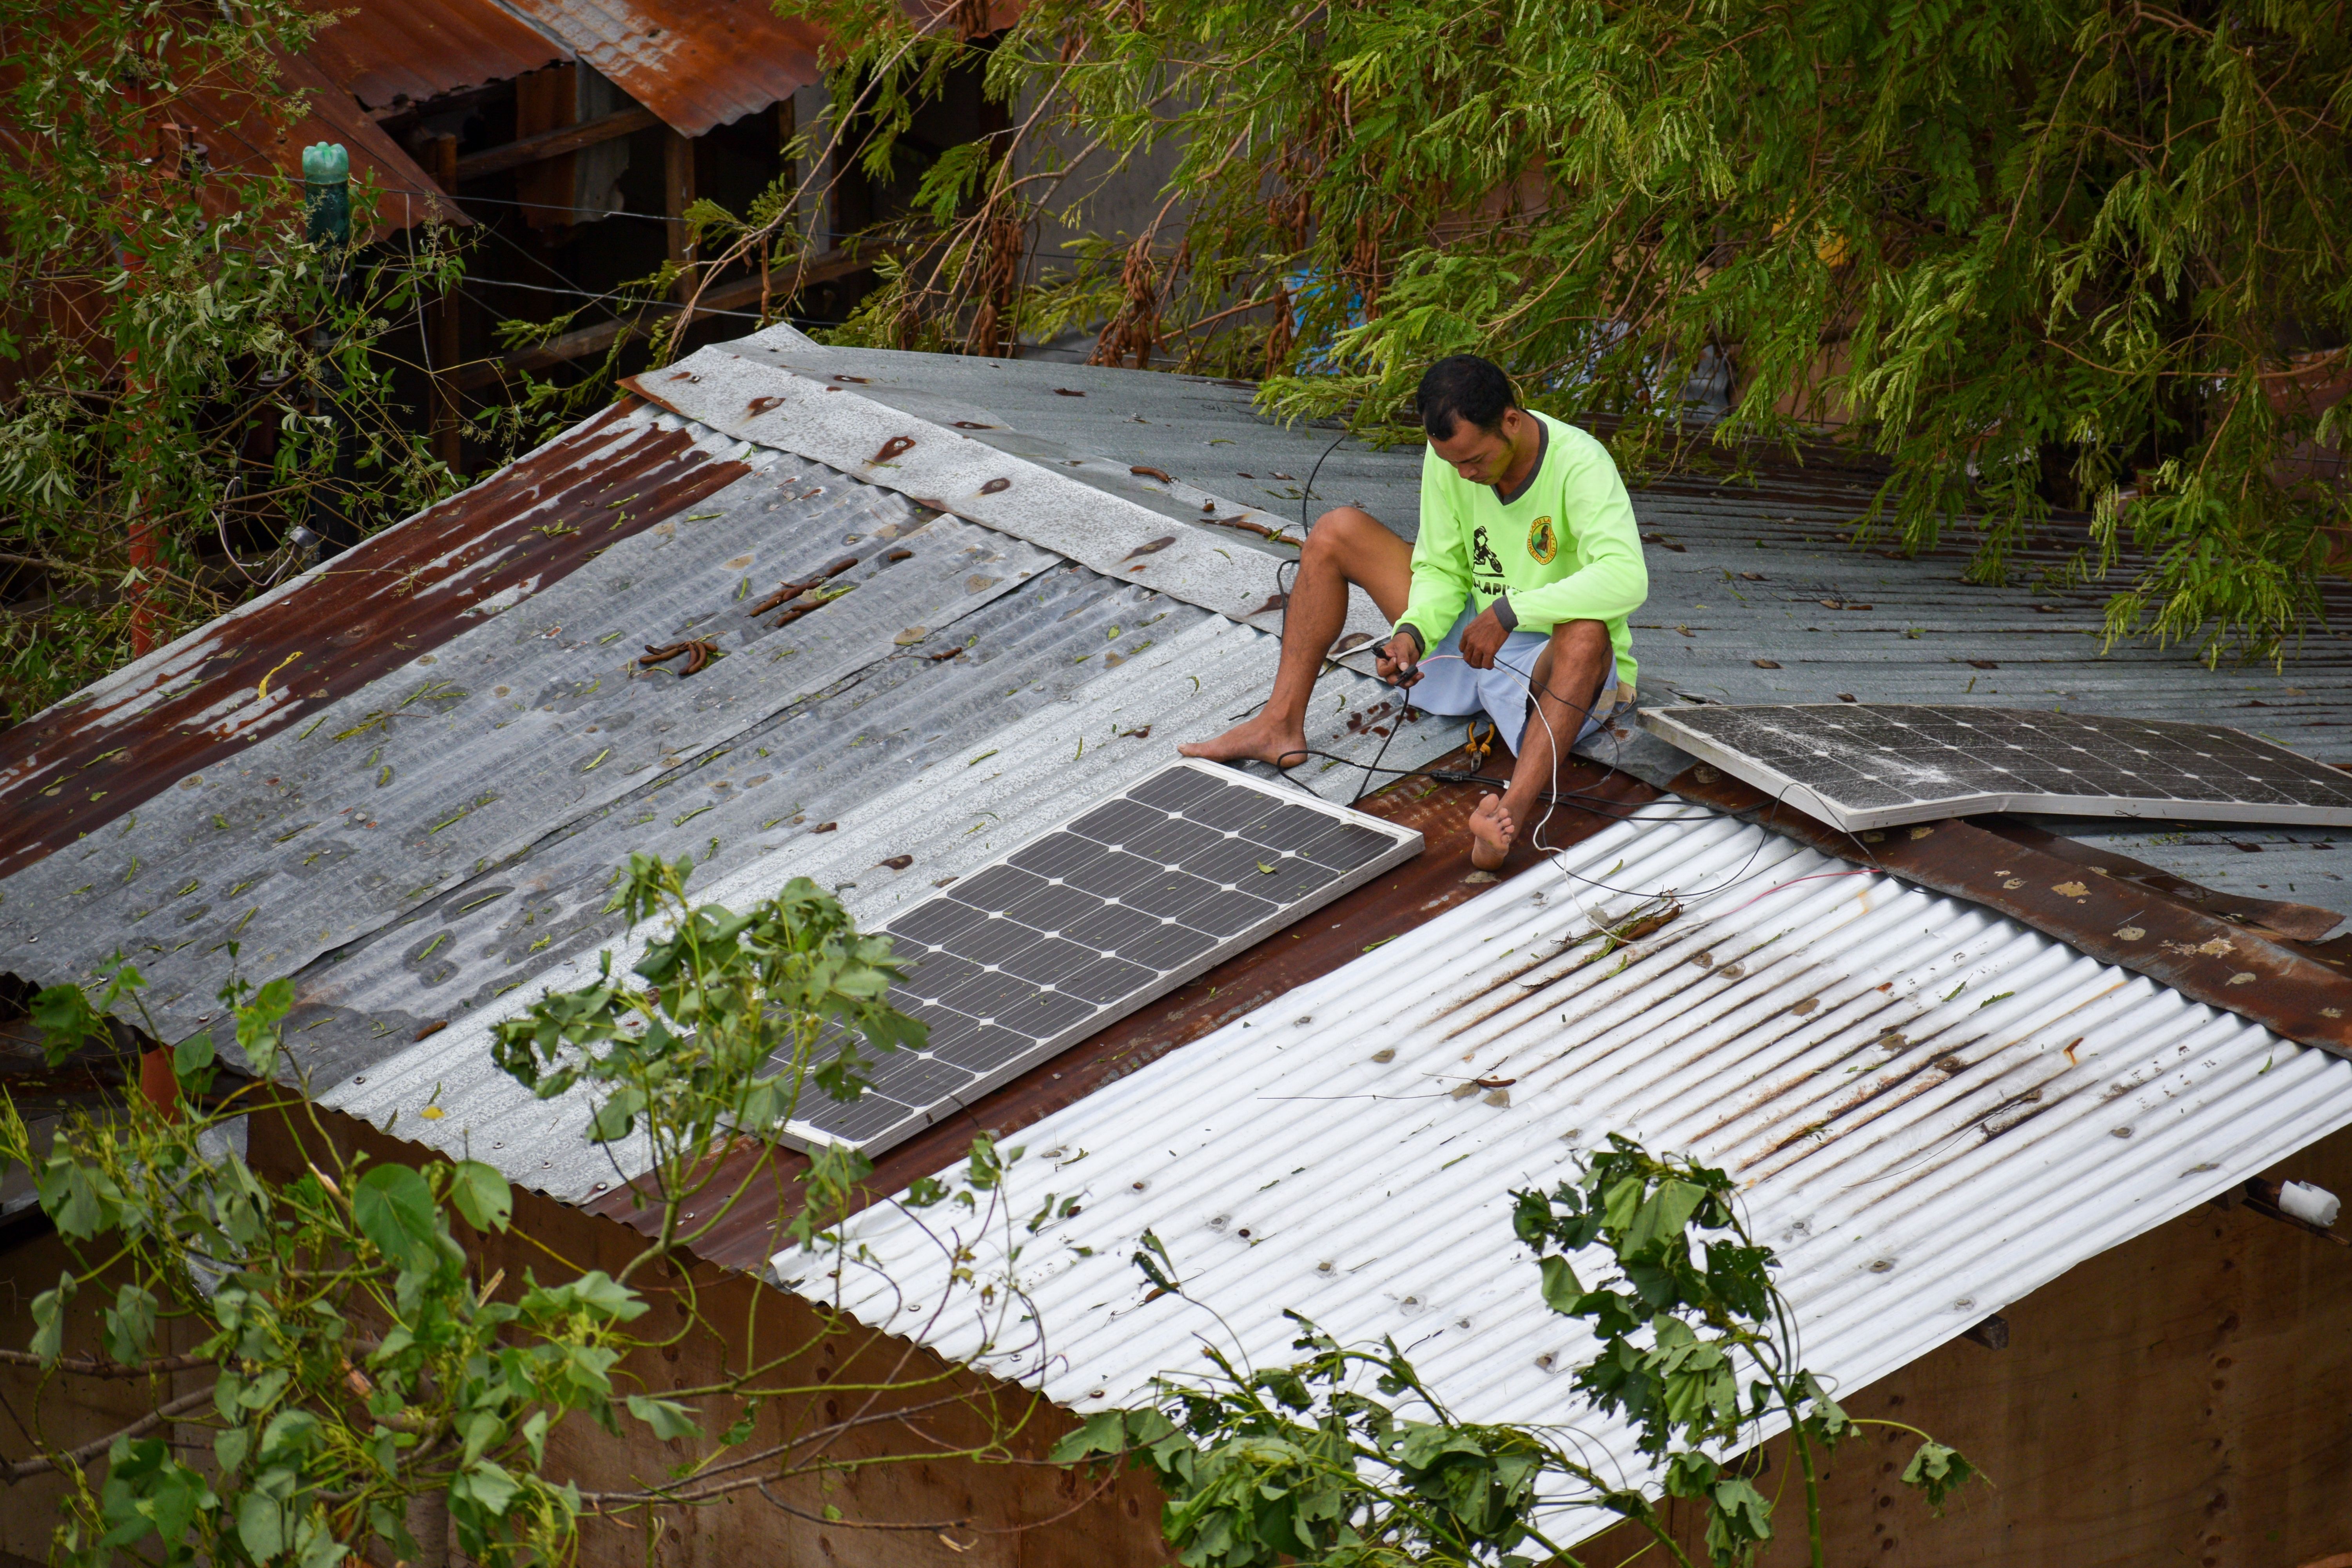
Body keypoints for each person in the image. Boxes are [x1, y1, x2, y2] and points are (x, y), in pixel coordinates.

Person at [1181, 354, 1647, 869]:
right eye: (1451, 463)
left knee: (1585, 633)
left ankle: (1504, 820)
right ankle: (1278, 725)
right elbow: (1442, 568)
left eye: (1474, 460)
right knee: (1336, 531)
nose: (1465, 475)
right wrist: (1413, 633)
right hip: (1471, 643)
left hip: (1546, 670)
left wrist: (1511, 612)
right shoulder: (1450, 457)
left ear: (1512, 421)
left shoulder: (1581, 463)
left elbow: (1627, 578)